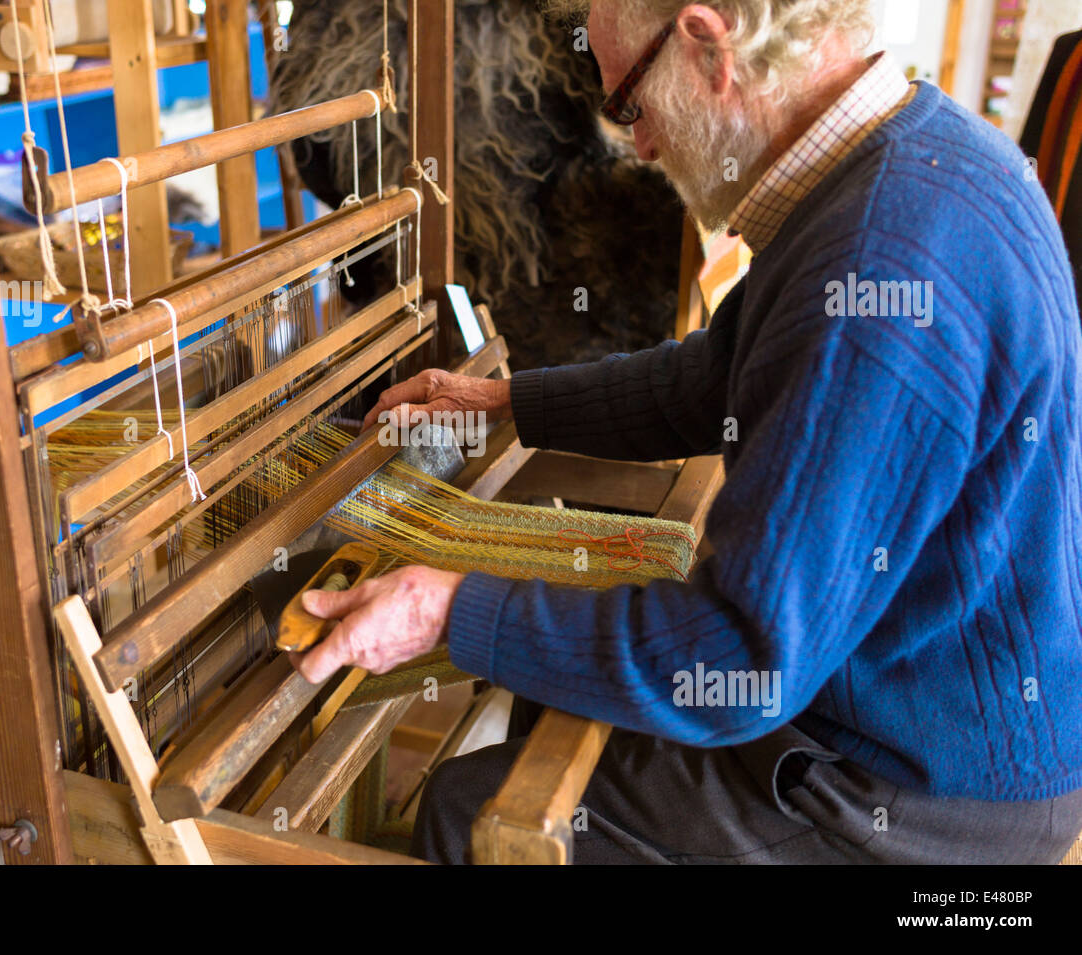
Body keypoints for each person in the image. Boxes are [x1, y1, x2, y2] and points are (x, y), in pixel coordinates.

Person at [288, 0, 1082, 863]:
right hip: (931, 714)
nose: (640, 144)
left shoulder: (877, 260)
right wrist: (511, 403)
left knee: (469, 811)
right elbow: (717, 375)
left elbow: (742, 660)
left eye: (630, 104)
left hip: (914, 795)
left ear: (709, 45)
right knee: (557, 701)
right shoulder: (911, 154)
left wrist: (448, 608)